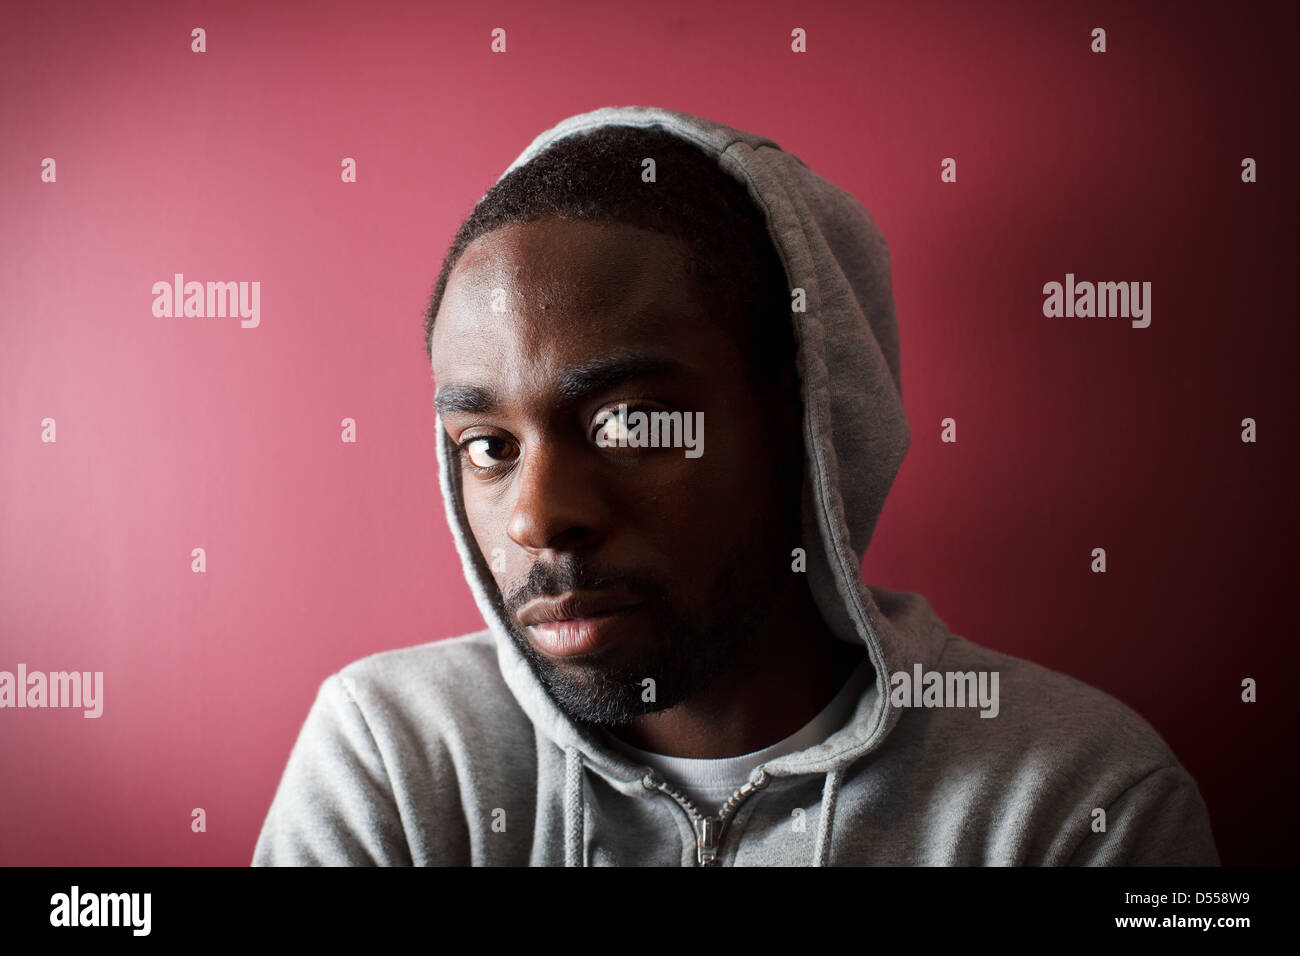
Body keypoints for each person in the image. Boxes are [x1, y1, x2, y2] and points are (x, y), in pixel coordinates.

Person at [252, 105, 1219, 866]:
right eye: (487, 447)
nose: (539, 518)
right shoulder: (397, 755)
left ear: (806, 423)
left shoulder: (1074, 801)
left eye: (630, 423)